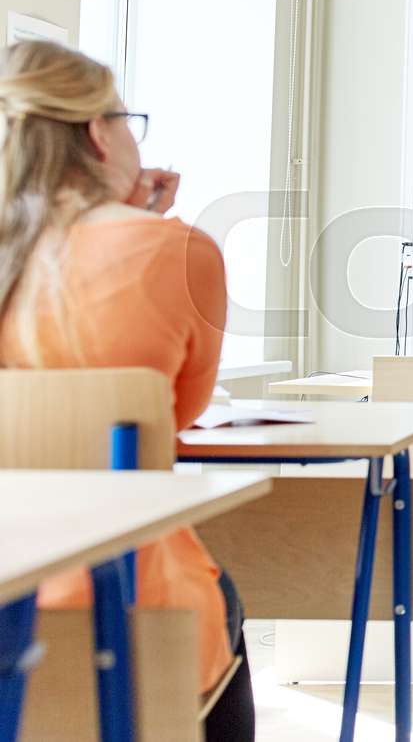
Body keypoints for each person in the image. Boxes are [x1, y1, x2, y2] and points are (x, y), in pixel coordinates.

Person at [0, 41, 254, 739]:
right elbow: (174, 416)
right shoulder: (177, 250)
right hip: (119, 594)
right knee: (224, 594)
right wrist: (141, 223)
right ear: (97, 132)